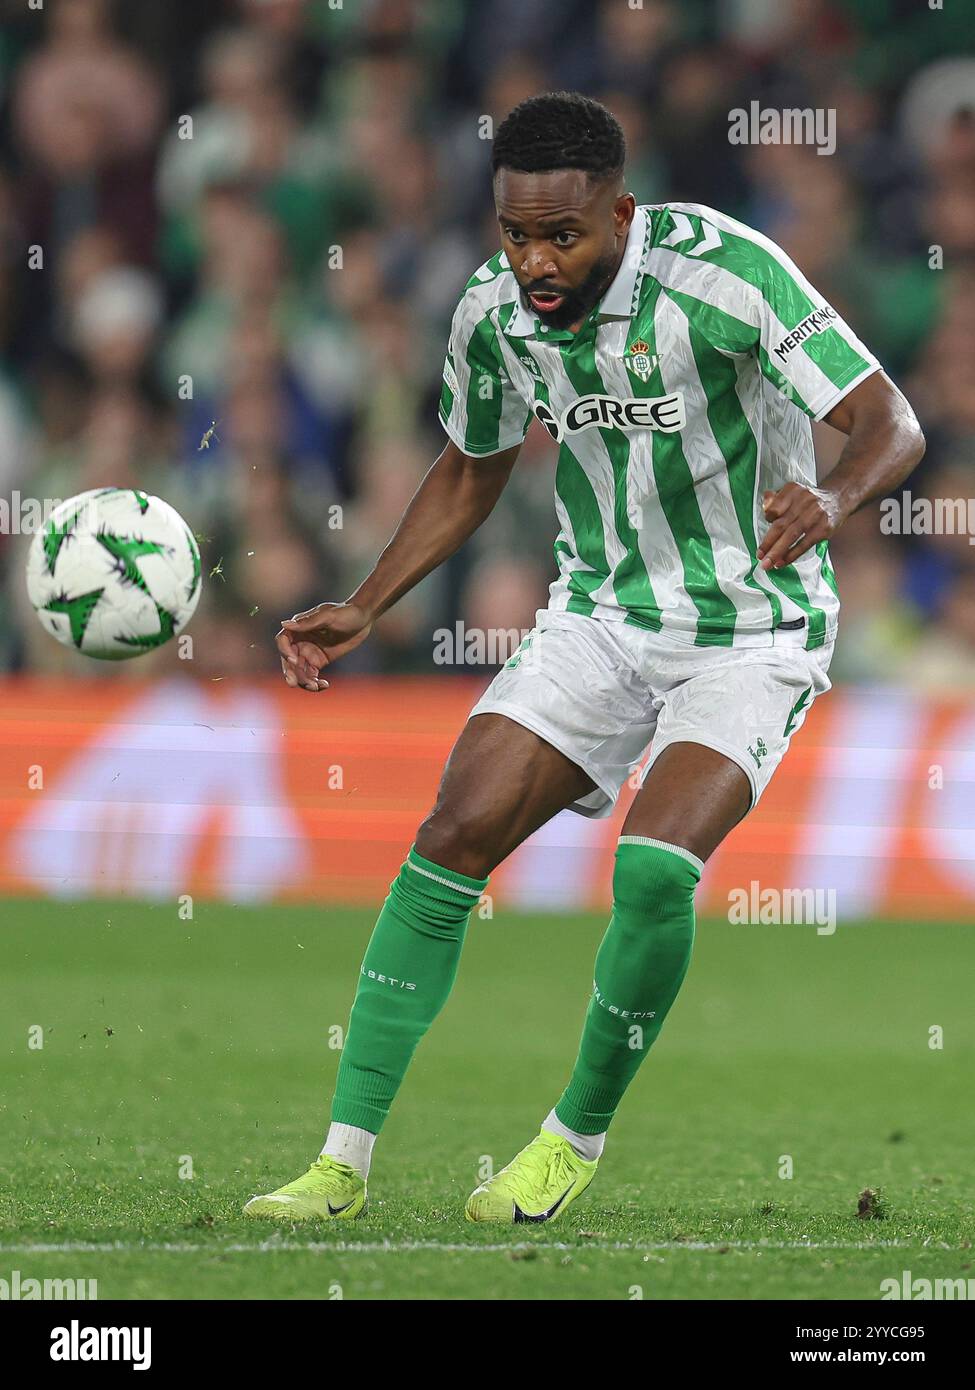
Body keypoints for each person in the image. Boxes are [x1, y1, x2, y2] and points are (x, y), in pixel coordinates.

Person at [245, 92, 924, 1225]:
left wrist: (835, 494)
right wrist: (367, 601)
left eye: (562, 235)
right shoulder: (491, 315)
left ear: (622, 211)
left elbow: (888, 418)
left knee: (655, 871)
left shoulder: (728, 274)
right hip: (601, 616)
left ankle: (571, 1139)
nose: (534, 260)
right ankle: (341, 1163)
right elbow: (473, 467)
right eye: (515, 234)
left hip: (753, 626)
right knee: (452, 832)